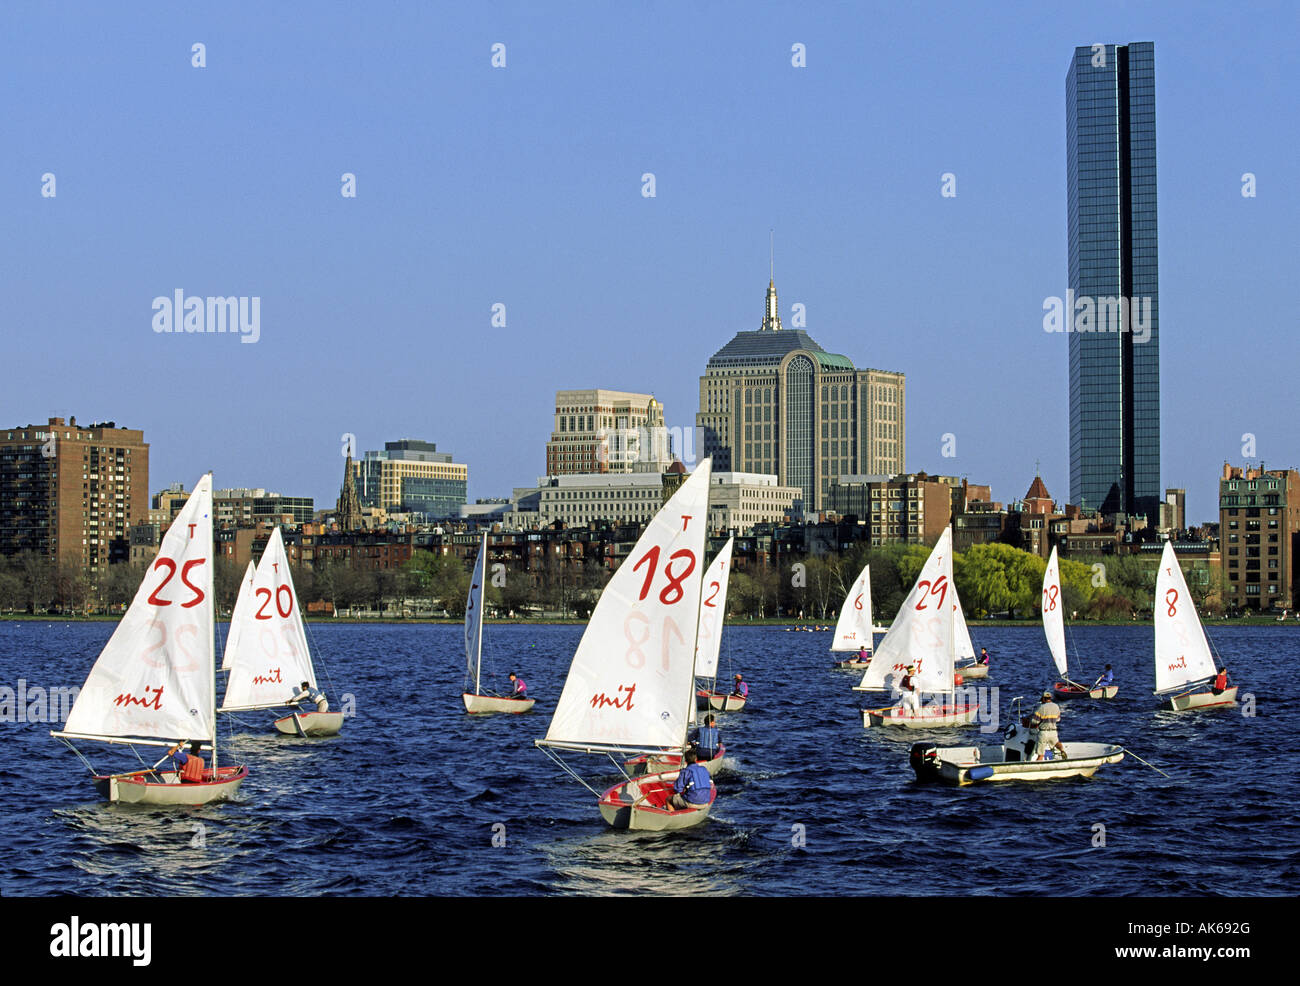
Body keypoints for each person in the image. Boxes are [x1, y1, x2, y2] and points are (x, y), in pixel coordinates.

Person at [1031, 691, 1066, 761]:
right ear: (1050, 698)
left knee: (1040, 754)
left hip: (1043, 733)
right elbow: (1058, 719)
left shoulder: (1041, 708)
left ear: (1043, 699)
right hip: (1053, 732)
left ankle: (1038, 767)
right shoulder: (1056, 706)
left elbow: (1034, 721)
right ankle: (1062, 750)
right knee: (1056, 743)